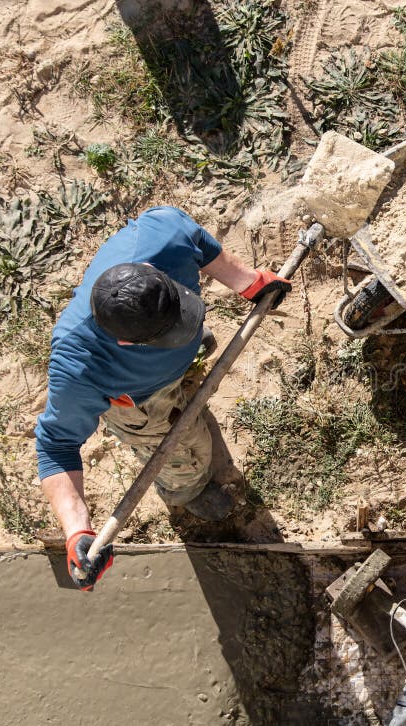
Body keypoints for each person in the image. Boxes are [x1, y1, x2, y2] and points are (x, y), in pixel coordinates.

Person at [35, 206, 291, 591]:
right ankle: (186, 488)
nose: (184, 325)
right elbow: (56, 446)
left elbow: (204, 248)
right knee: (179, 452)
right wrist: (77, 532)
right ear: (125, 342)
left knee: (193, 340)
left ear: (157, 275)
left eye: (180, 309)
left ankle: (183, 355)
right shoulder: (78, 368)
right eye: (169, 331)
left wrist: (252, 283)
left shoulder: (162, 232)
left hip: (160, 364)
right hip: (140, 400)